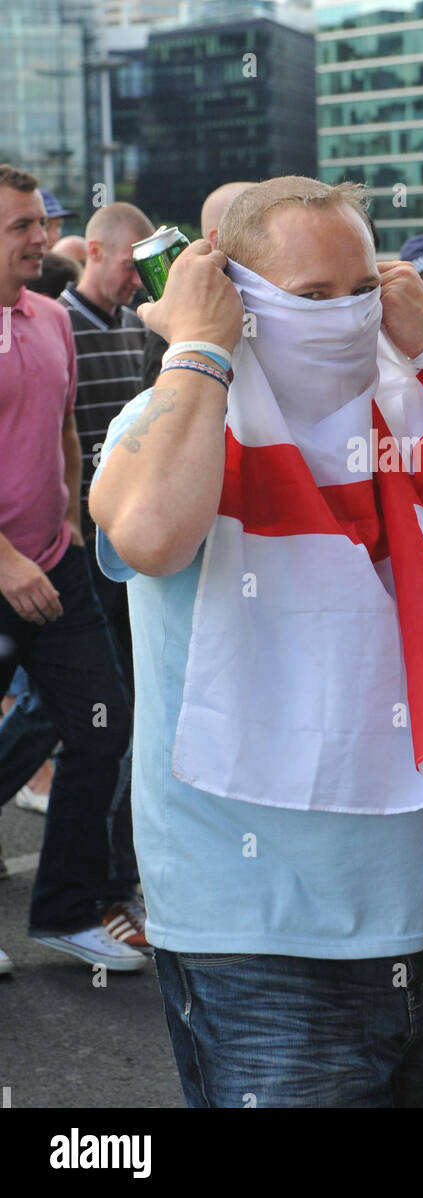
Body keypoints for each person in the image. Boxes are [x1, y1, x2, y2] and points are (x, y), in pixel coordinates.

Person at [89, 175, 423, 1108]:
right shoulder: (174, 418)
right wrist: (202, 346)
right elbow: (150, 533)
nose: (345, 317)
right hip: (256, 941)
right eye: (311, 297)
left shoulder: (422, 420)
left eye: (361, 290)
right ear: (238, 294)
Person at [0, 165, 145, 974]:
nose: (40, 237)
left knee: (103, 723)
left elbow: (61, 432)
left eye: (38, 221)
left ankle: (64, 910)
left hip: (57, 564)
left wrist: (65, 520)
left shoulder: (51, 319)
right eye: (20, 225)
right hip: (5, 569)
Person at [140, 181, 257, 391]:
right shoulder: (177, 316)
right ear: (219, 238)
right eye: (261, 229)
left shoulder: (268, 304)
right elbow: (164, 407)